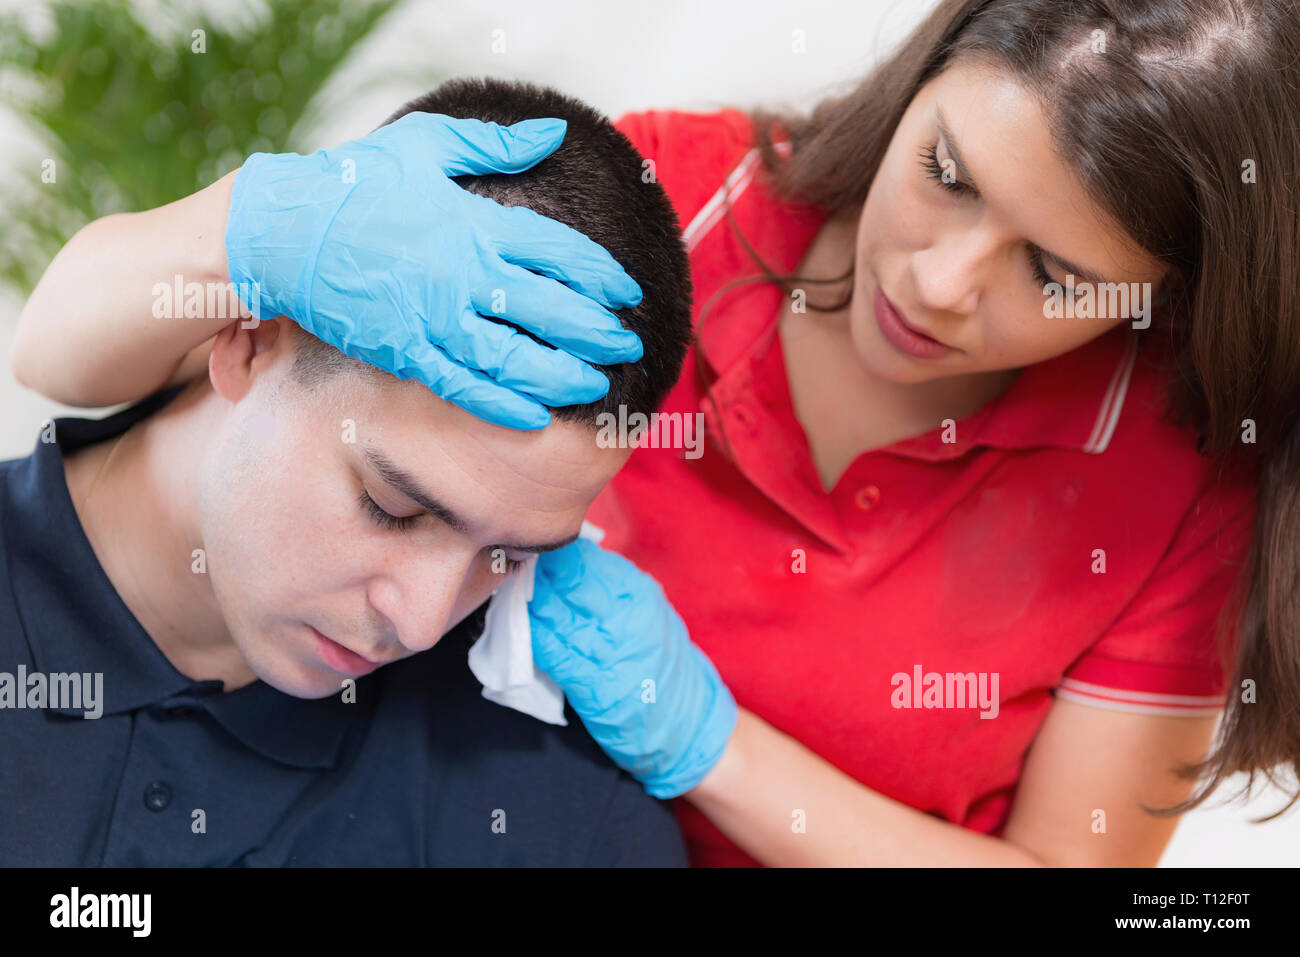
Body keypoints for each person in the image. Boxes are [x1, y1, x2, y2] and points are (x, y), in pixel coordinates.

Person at [15, 0, 1299, 867]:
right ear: (922, 78)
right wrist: (254, 231)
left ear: (1165, 294)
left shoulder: (1180, 483)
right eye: (947, 173)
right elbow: (119, 357)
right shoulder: (656, 209)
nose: (942, 284)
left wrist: (714, 748)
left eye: (1056, 275)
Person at [0, 78, 701, 866]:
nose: (425, 621)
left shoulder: (560, 825)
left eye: (508, 554)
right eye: (391, 505)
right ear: (251, 339)